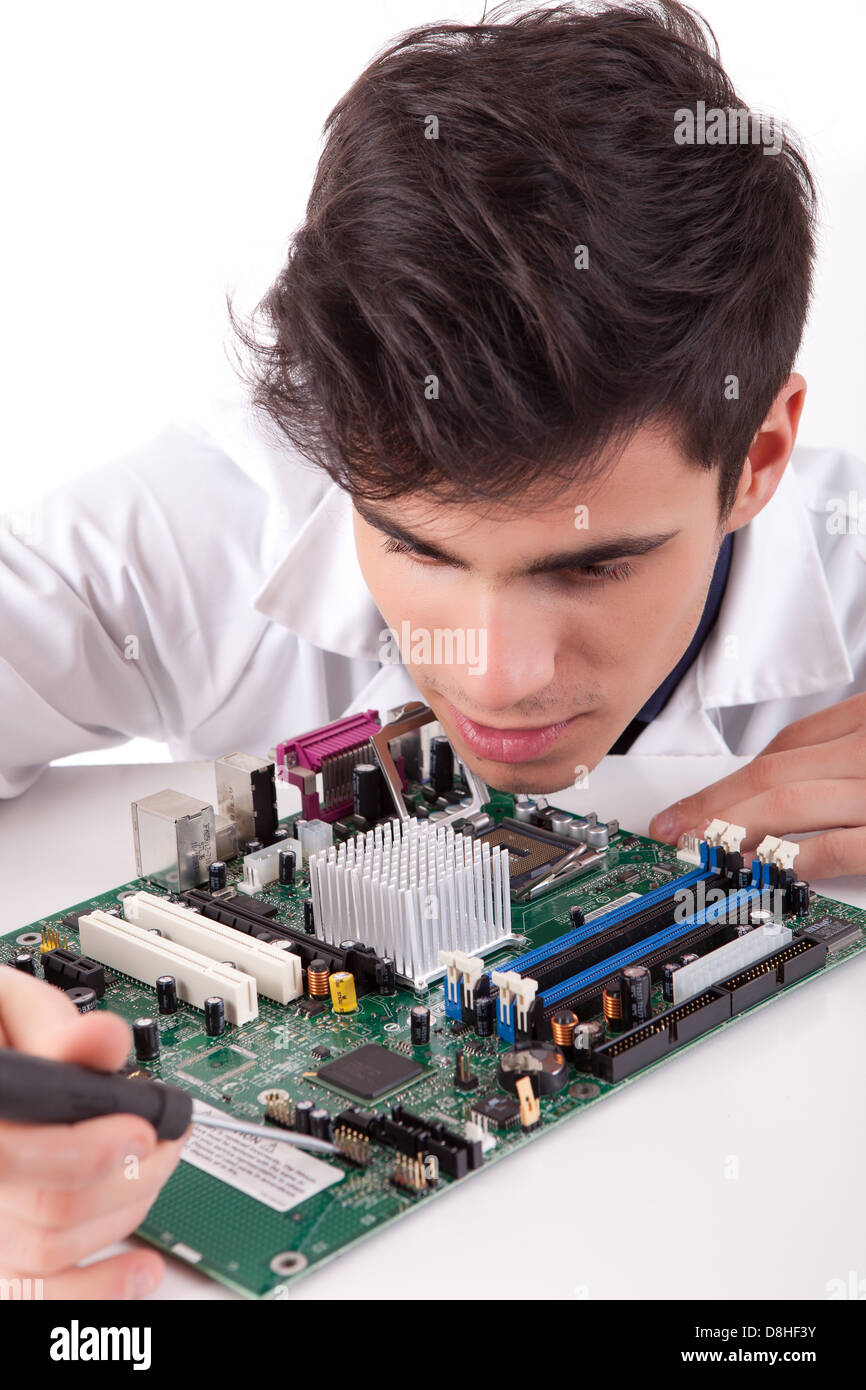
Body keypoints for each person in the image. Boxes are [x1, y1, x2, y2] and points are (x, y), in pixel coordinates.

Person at [1, 0, 863, 1300]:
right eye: (415, 543)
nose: (498, 673)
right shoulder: (174, 536)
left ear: (757, 459)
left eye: (591, 560)